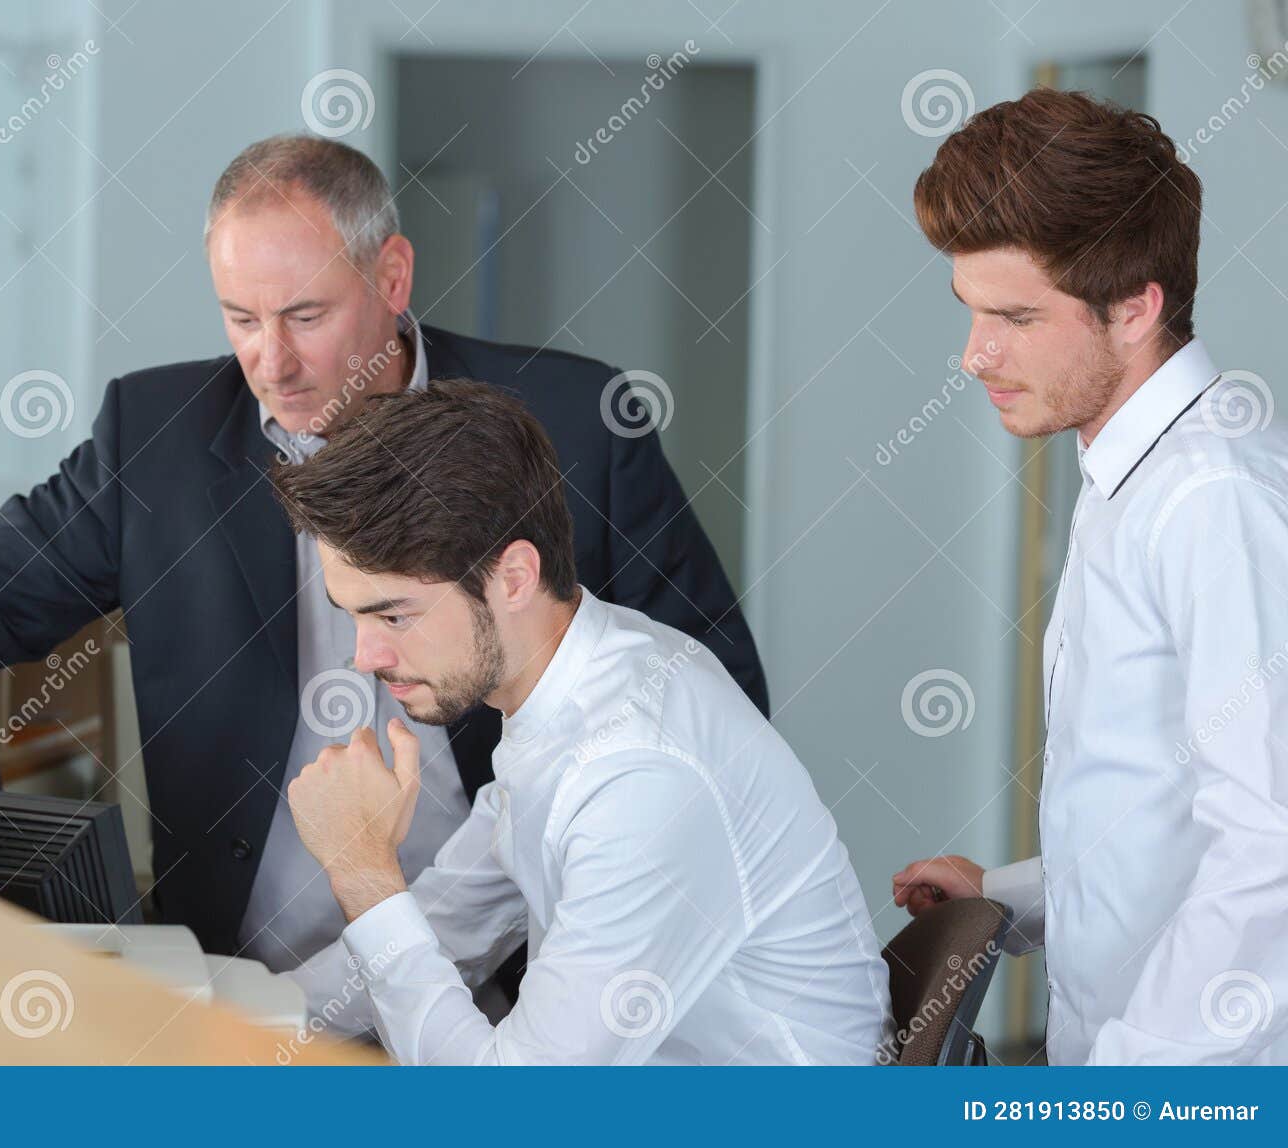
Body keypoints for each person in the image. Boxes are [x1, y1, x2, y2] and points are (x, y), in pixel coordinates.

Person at [0, 134, 766, 971]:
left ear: (392, 275)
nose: (270, 361)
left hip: (525, 969)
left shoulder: (577, 423)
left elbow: (710, 682)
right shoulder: (159, 433)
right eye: (241, 318)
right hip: (242, 970)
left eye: (307, 316)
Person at [273, 379, 892, 1065]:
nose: (366, 657)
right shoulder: (574, 683)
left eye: (393, 615)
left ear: (512, 577)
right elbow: (453, 921)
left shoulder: (638, 771)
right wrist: (230, 1015)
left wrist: (362, 872)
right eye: (351, 613)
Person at [891, 88, 1288, 1064]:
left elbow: (1269, 849)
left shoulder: (1216, 498)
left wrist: (1122, 1085)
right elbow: (1162, 812)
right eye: (970, 312)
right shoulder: (1127, 472)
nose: (973, 355)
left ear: (1133, 308)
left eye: (1015, 317)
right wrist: (1011, 898)